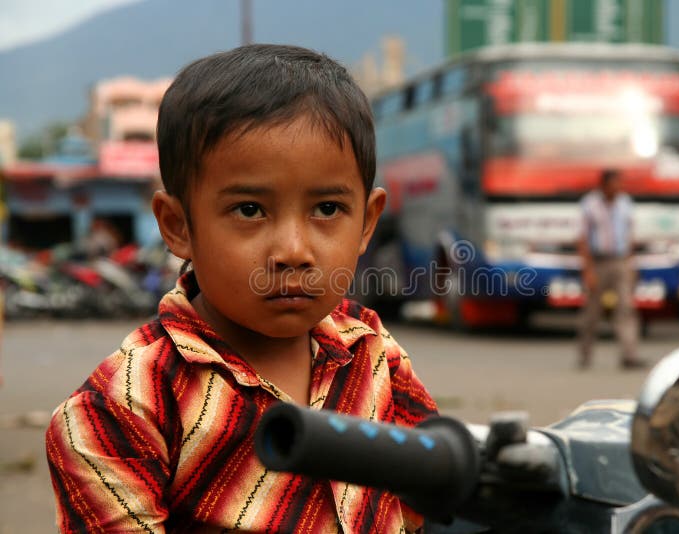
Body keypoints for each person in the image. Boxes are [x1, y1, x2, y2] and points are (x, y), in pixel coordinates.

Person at [45, 44, 438, 533]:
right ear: (177, 225)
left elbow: (439, 497)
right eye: (250, 210)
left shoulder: (375, 353)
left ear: (367, 222)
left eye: (328, 209)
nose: (293, 250)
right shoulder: (124, 408)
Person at [576, 169, 645, 370]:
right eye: (615, 183)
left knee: (625, 308)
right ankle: (585, 354)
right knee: (592, 311)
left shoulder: (625, 203)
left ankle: (629, 355)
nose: (619, 187)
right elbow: (582, 239)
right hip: (598, 263)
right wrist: (587, 270)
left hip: (620, 262)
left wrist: (631, 263)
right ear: (604, 185)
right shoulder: (589, 205)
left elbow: (630, 234)